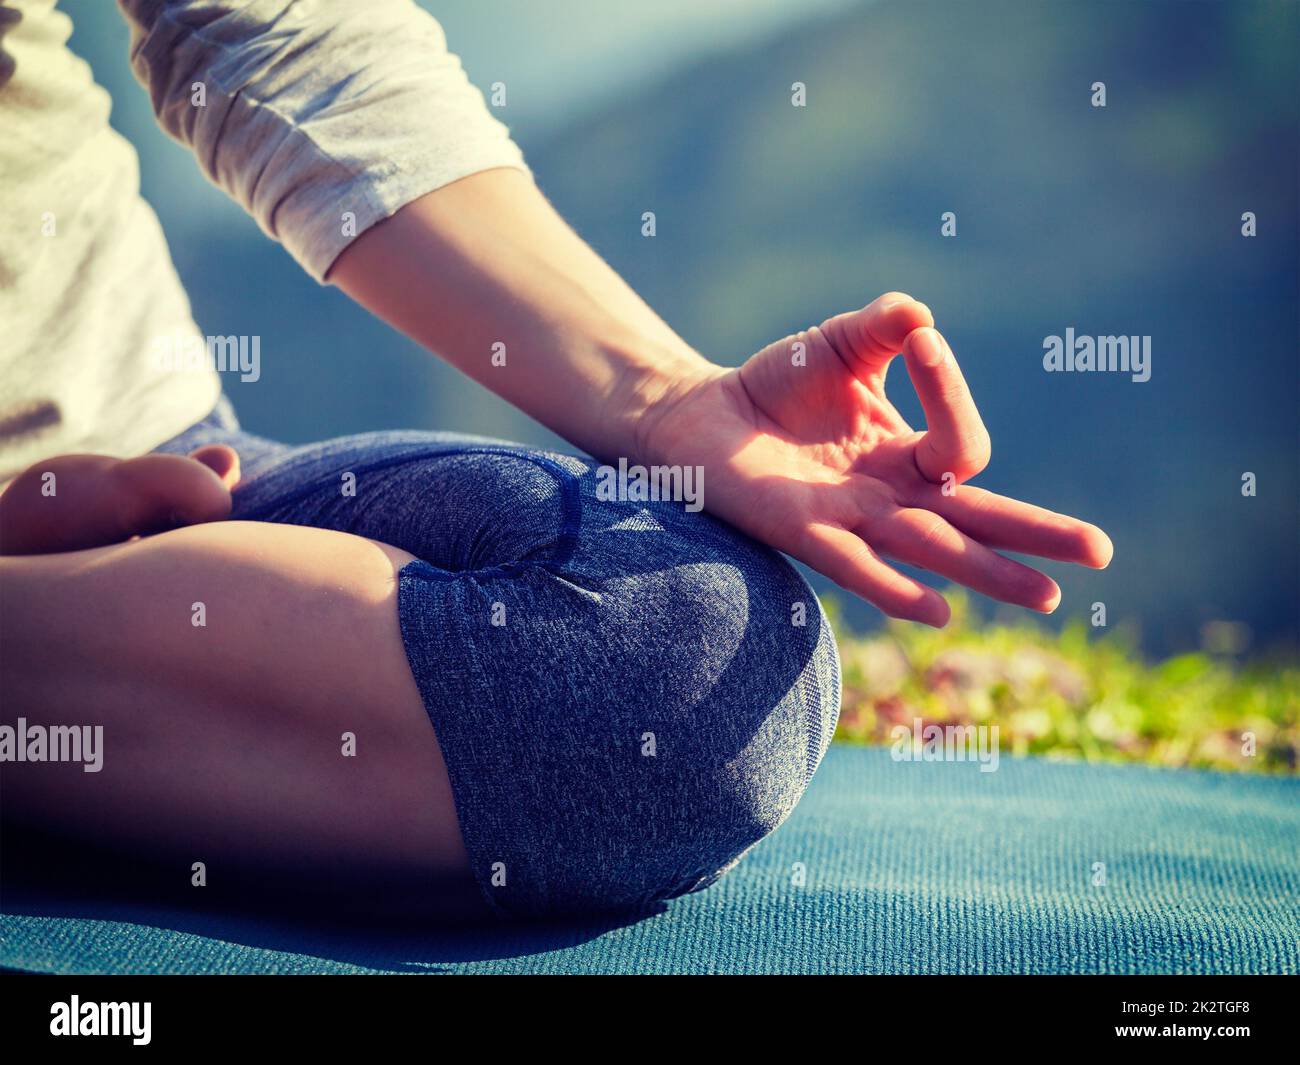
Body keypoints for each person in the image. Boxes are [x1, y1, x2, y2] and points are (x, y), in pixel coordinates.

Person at [0, 0, 1110, 920]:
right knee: (640, 721)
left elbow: (276, 30)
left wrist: (665, 398)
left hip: (170, 447)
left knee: (676, 628)